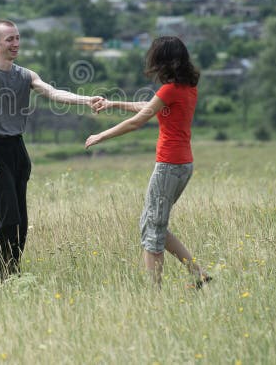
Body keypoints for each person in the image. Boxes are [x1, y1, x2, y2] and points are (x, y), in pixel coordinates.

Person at [0, 19, 103, 282]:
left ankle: (12, 275)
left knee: (21, 226)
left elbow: (52, 93)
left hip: (17, 149)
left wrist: (86, 100)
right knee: (7, 222)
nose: (15, 44)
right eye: (10, 39)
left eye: (17, 38)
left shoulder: (25, 75)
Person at [85, 36, 211, 289]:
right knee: (154, 225)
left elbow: (138, 121)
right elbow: (149, 107)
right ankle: (200, 275)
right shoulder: (186, 88)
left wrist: (101, 135)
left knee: (152, 231)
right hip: (182, 165)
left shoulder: (170, 90)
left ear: (162, 62)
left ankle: (153, 295)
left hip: (169, 166)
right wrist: (114, 103)